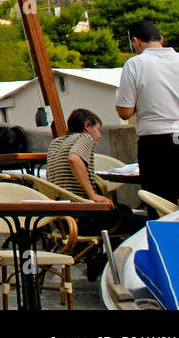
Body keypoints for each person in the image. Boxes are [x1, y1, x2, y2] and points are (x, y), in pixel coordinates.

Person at [115, 20, 179, 203]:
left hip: (157, 143)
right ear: (161, 39)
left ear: (135, 41)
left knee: (162, 205)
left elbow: (125, 112)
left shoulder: (135, 64)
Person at [46, 107, 147, 278]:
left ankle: (102, 257)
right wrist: (92, 196)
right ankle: (115, 265)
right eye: (98, 130)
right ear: (87, 126)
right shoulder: (84, 138)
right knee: (147, 224)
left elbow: (50, 175)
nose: (99, 136)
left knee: (122, 211)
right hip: (82, 218)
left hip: (62, 221)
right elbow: (74, 159)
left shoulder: (56, 143)